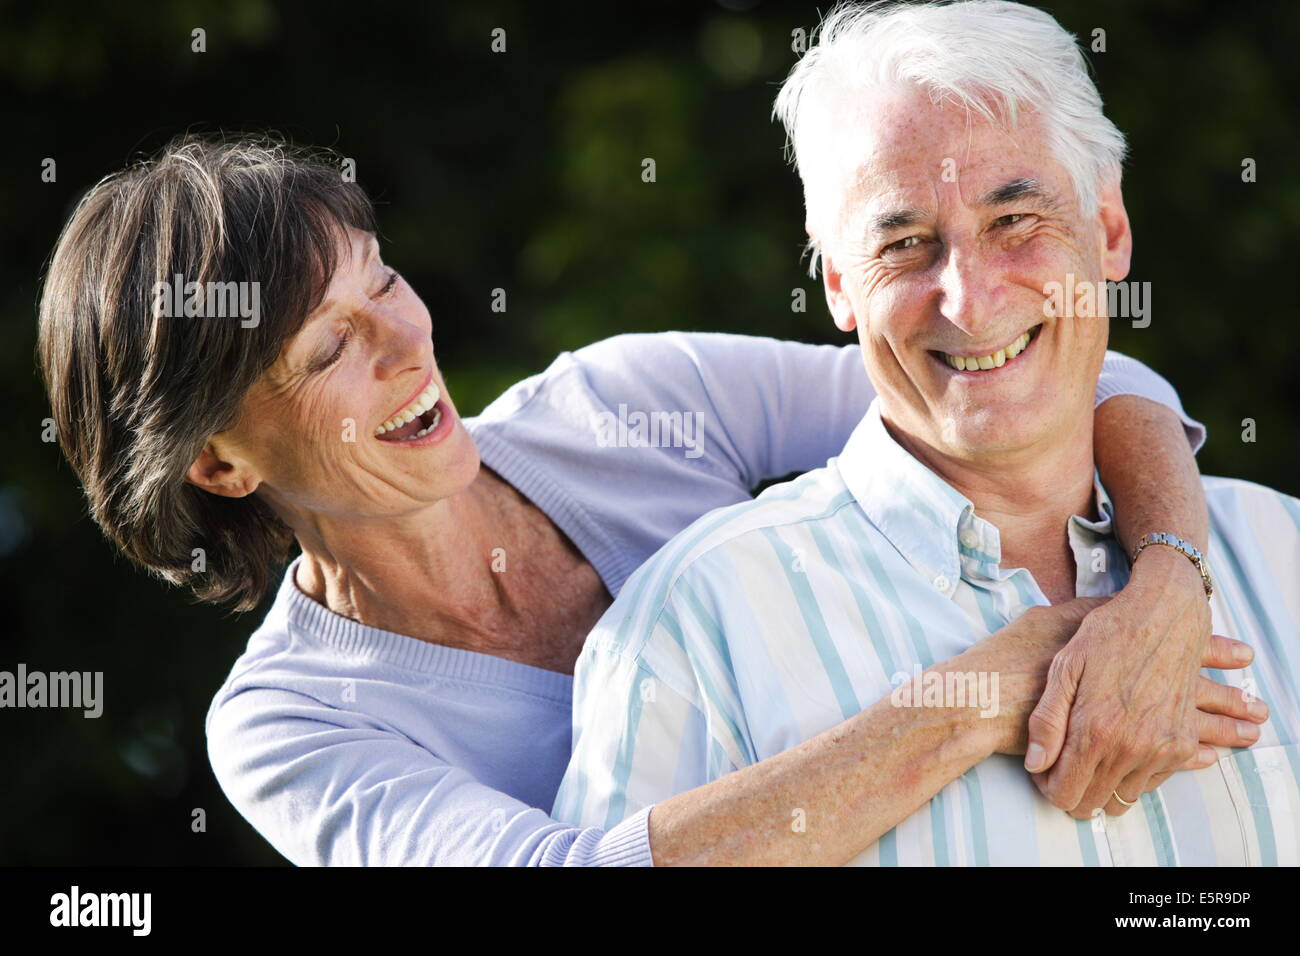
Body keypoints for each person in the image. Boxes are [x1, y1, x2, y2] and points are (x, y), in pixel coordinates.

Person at [37, 128, 1256, 866]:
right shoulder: (289, 724)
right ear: (219, 462)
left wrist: (1166, 578)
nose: (406, 346)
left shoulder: (624, 400)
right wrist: (985, 689)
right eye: (325, 352)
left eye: (384, 282)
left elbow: (1065, 375)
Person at [552, 0, 1299, 865]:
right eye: (905, 243)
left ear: (1110, 231)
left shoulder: (1281, 556)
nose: (970, 300)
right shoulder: (698, 622)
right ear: (838, 283)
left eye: (1014, 222)